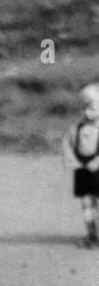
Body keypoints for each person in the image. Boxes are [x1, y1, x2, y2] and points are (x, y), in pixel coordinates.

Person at [62, 82, 99, 248]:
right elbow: (67, 144)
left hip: (97, 168)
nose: (86, 112)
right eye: (84, 108)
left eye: (92, 109)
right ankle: (91, 235)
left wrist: (96, 162)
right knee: (86, 203)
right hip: (82, 168)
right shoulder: (76, 127)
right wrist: (74, 162)